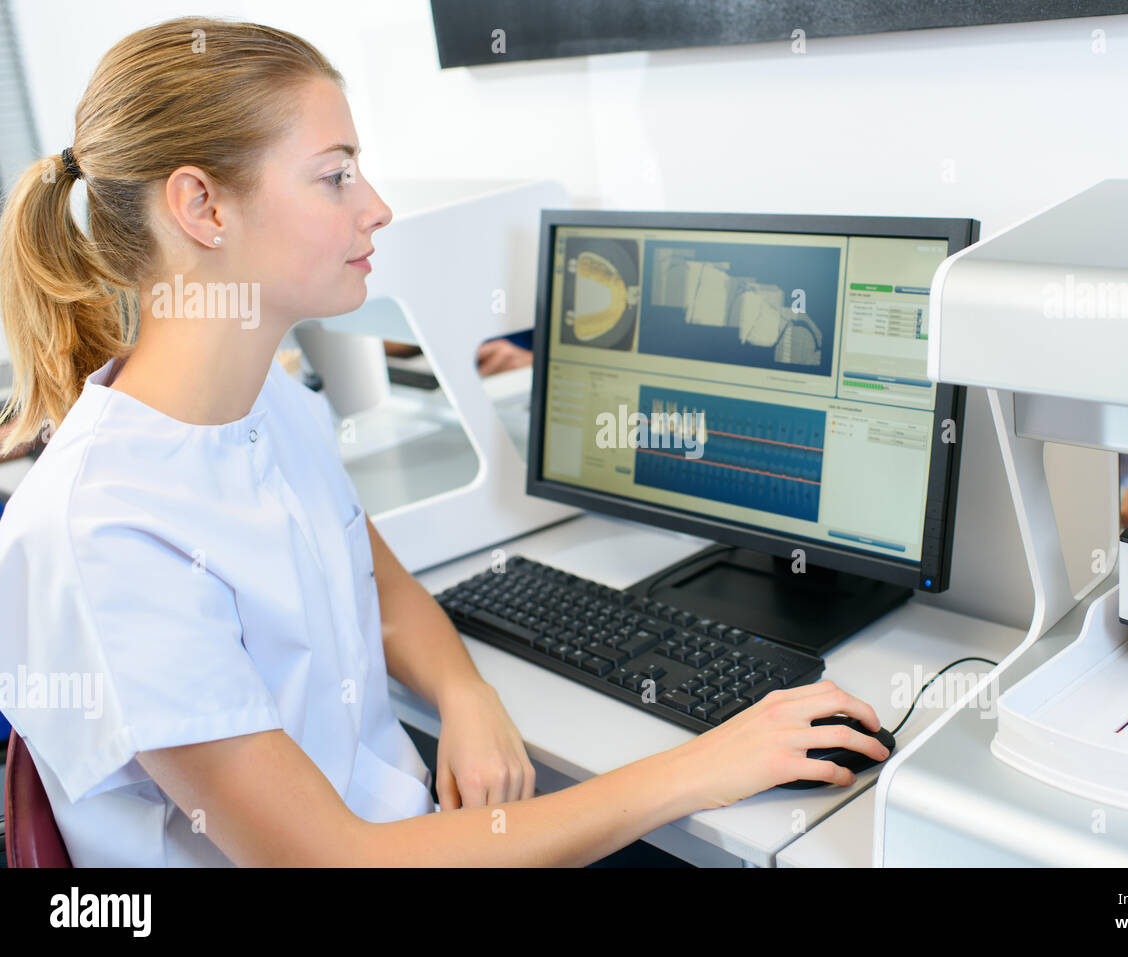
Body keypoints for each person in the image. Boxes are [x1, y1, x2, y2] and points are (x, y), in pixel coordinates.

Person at [0, 17, 889, 867]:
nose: (376, 208)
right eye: (335, 175)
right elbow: (334, 860)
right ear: (202, 205)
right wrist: (705, 766)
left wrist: (465, 691)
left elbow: (377, 587)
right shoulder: (103, 528)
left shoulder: (264, 401)